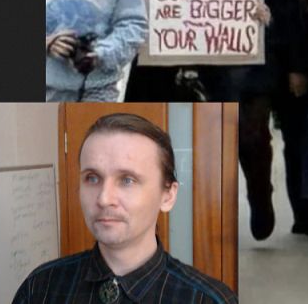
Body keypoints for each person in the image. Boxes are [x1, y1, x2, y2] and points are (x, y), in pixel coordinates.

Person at [14, 113, 239, 304]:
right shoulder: (40, 289)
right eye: (92, 178)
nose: (104, 198)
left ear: (168, 196)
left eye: (127, 180)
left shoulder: (206, 299)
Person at [195, 0, 298, 242]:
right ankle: (213, 212)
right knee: (209, 147)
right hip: (204, 74)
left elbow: (283, 12)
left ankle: (260, 194)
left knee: (253, 140)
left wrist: (265, 16)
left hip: (251, 71)